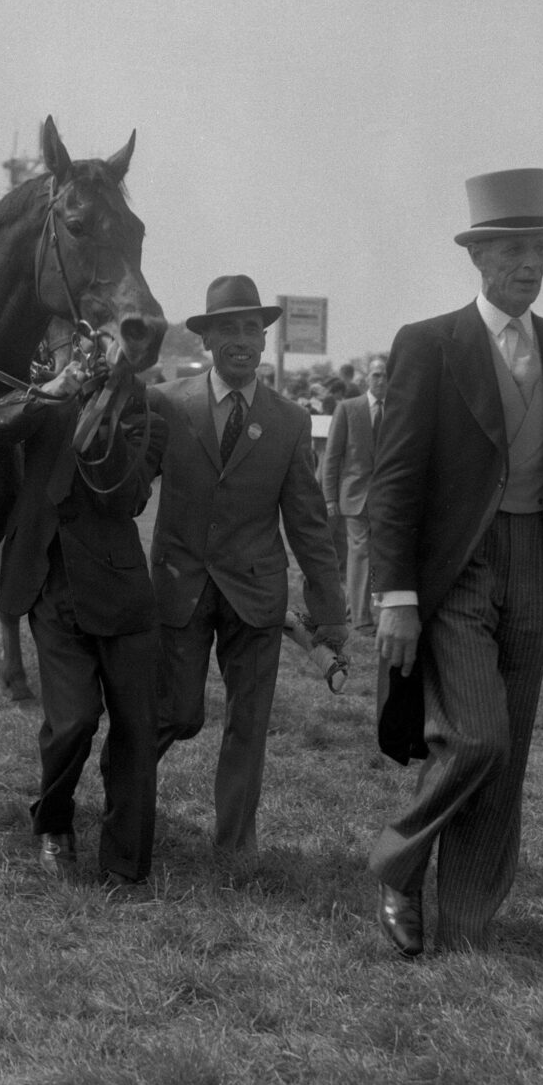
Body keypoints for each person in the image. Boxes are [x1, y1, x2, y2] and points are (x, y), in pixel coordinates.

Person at [367, 168, 543, 957]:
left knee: (510, 759)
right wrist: (396, 593)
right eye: (512, 249)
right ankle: (398, 864)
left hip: (537, 554)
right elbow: (394, 480)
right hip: (457, 568)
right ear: (479, 258)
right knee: (476, 738)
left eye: (538, 248)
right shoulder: (430, 344)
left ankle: (468, 919)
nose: (529, 264)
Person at [151, 275, 348, 856]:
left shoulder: (288, 421)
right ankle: (126, 797)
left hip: (257, 595)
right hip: (179, 587)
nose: (241, 340)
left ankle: (235, 846)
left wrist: (330, 611)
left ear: (263, 341)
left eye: (251, 329)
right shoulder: (165, 403)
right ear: (207, 340)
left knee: (248, 725)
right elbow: (128, 489)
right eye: (227, 329)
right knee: (177, 714)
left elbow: (309, 523)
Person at [0, 353, 167, 886]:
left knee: (137, 727)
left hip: (120, 590)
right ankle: (54, 824)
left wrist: (105, 415)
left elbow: (129, 497)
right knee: (74, 720)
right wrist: (57, 388)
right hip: (47, 579)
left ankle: (126, 857)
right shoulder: (46, 393)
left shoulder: (147, 414)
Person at [323, 356, 388, 633]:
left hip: (387, 497)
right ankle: (361, 618)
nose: (381, 381)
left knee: (381, 554)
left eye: (386, 375)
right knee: (360, 552)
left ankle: (357, 610)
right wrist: (330, 497)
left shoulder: (398, 410)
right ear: (366, 379)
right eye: (376, 375)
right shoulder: (348, 408)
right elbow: (332, 455)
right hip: (355, 497)